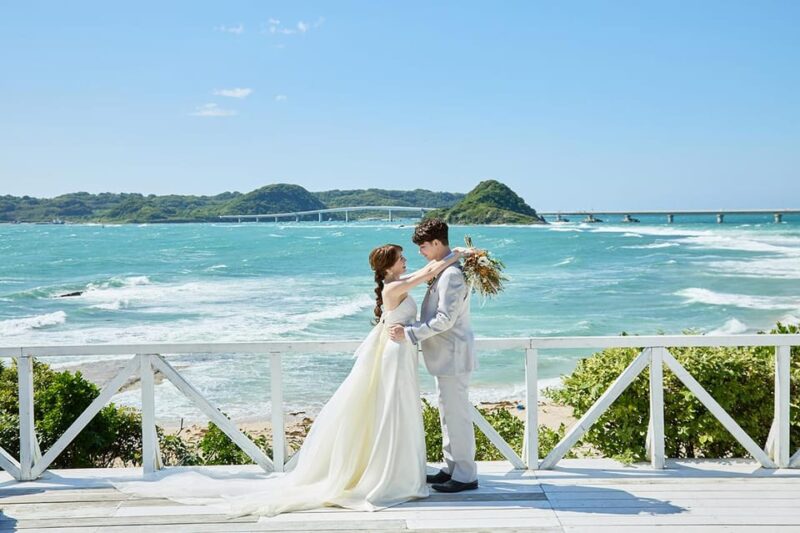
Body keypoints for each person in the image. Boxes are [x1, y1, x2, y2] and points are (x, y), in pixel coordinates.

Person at [389, 218, 479, 493]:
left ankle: (465, 475)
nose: (420, 252)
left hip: (453, 355)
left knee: (457, 416)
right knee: (448, 415)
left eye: (424, 246)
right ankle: (452, 468)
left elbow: (445, 320)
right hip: (446, 356)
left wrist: (410, 332)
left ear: (437, 243)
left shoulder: (451, 275)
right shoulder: (445, 269)